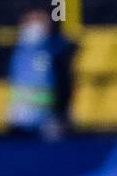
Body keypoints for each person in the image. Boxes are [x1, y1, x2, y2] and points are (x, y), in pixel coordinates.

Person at [7, 9, 73, 138]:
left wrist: (60, 114)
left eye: (38, 21)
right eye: (29, 21)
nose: (33, 27)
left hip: (47, 121)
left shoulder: (56, 51)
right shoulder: (17, 52)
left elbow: (64, 85)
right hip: (18, 119)